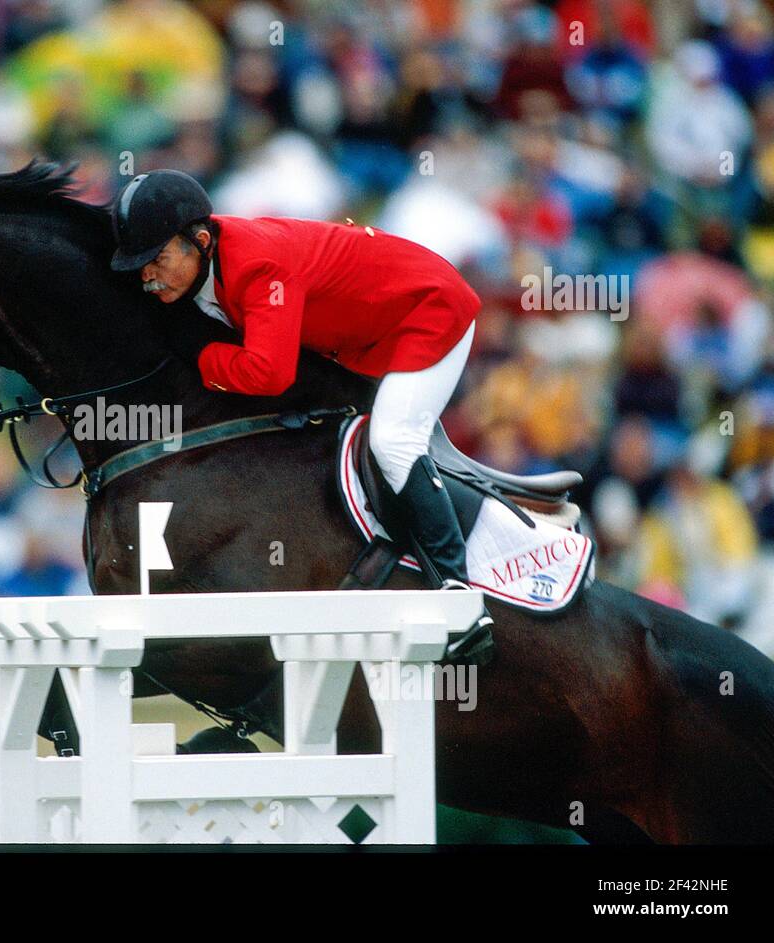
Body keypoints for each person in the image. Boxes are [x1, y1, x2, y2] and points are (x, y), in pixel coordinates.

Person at [109, 169, 494, 664]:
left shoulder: (256, 265)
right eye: (139, 266)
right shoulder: (208, 260)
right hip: (362, 336)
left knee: (394, 441)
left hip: (429, 311)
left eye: (157, 260)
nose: (148, 276)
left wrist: (201, 354)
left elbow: (269, 375)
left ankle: (460, 598)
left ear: (200, 241)